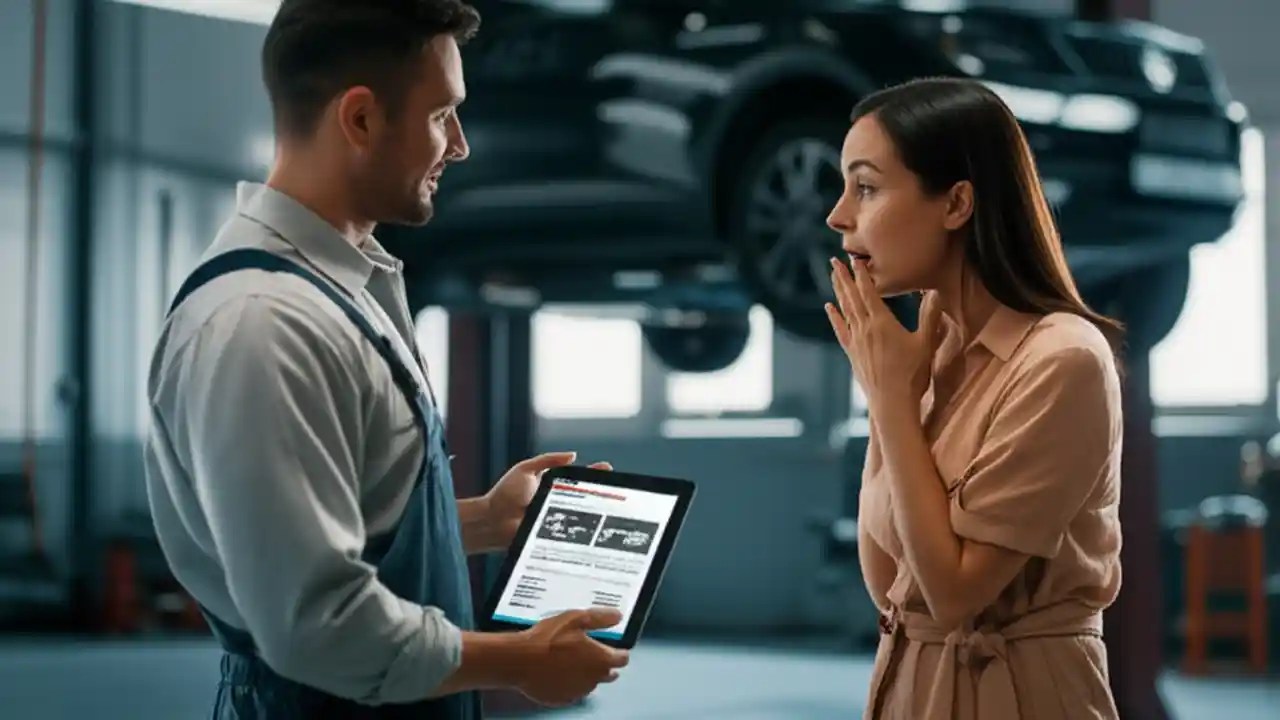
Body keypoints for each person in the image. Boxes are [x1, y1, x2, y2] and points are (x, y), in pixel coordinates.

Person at [142, 1, 628, 717]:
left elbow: (321, 529)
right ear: (361, 119)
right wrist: (519, 660)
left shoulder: (337, 289)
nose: (458, 145)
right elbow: (317, 623)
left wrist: (486, 522)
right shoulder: (264, 326)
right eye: (441, 115)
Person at [822, 77, 1125, 719]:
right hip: (911, 685)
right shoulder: (929, 348)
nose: (838, 214)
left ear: (956, 202)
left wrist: (893, 403)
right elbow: (891, 589)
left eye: (866, 187)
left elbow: (954, 594)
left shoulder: (1062, 360)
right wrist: (887, 396)